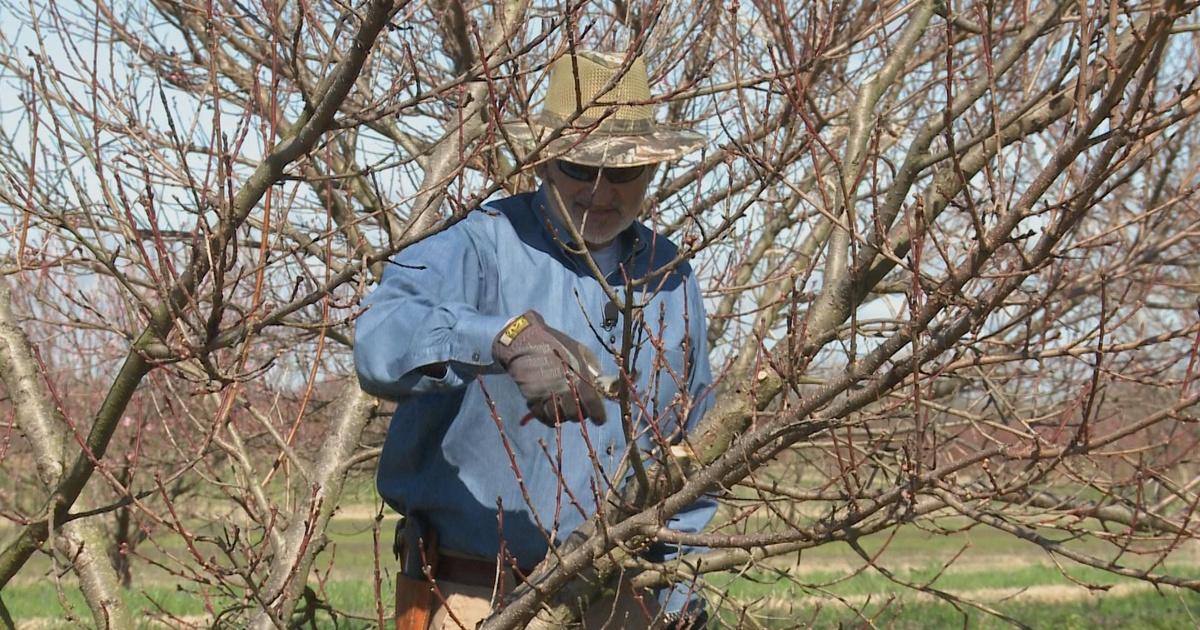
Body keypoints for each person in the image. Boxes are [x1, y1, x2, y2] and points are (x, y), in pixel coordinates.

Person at [355, 49, 714, 630]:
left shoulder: (670, 277)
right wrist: (503, 338)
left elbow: (689, 441)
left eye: (622, 172)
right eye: (579, 166)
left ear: (652, 171)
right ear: (545, 161)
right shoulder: (477, 245)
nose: (599, 191)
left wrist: (679, 590)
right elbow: (377, 343)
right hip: (471, 596)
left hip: (628, 598)